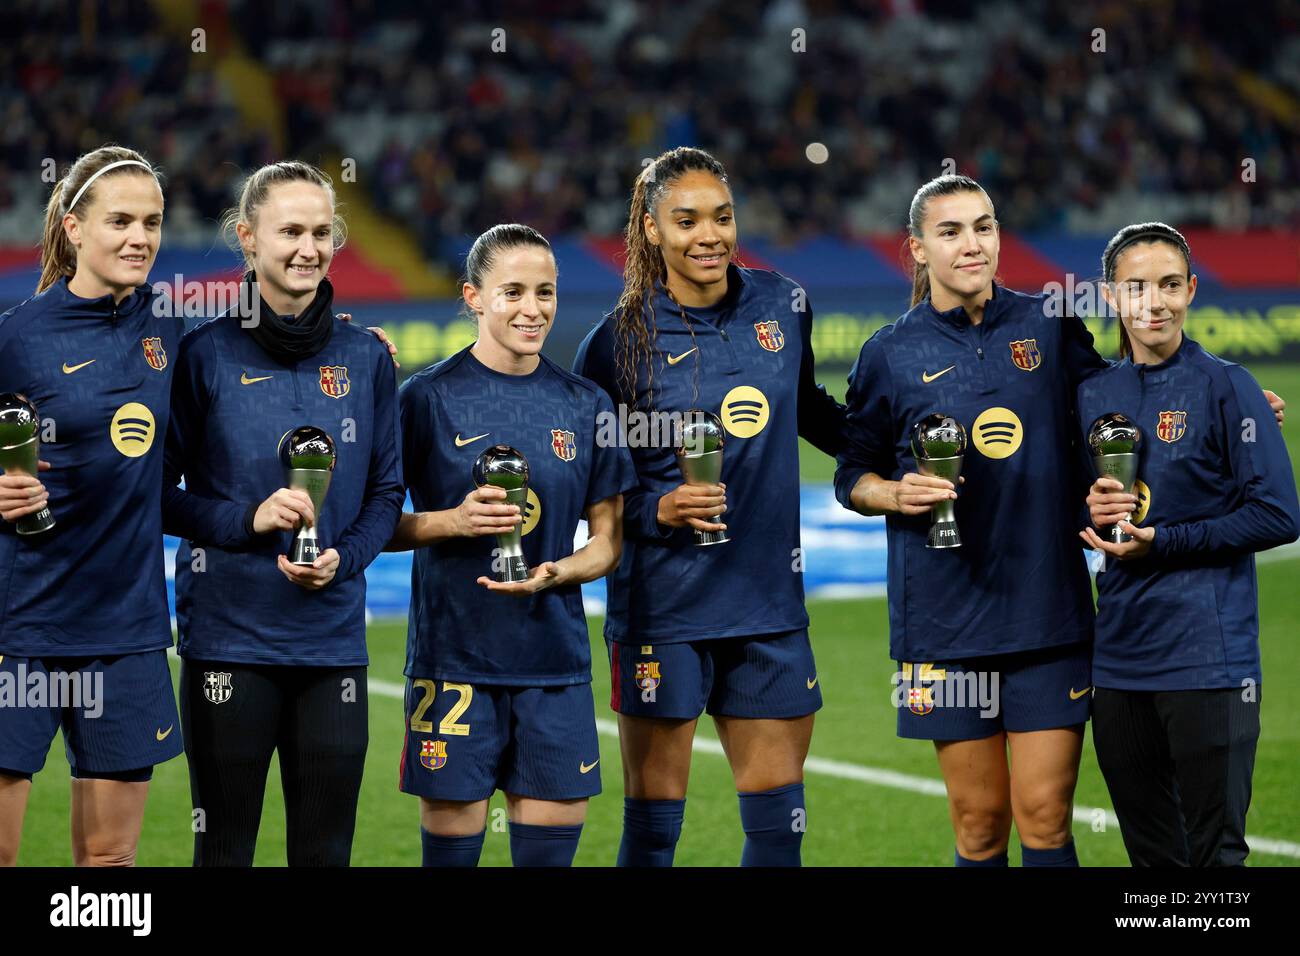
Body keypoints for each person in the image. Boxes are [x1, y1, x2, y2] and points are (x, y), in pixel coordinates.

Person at [834, 175, 1287, 868]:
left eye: (983, 226)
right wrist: (891, 495)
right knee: (979, 826)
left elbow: (1117, 405)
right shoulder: (887, 353)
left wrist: (1230, 406)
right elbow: (851, 473)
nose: (971, 244)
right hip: (942, 620)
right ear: (917, 249)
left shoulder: (1048, 323)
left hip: (1047, 615)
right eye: (950, 231)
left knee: (1044, 818)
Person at [573, 147, 847, 867]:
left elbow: (812, 409)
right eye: (686, 219)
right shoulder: (616, 342)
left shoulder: (783, 303)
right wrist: (655, 510)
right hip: (666, 610)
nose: (710, 235)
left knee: (778, 826)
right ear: (652, 230)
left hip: (768, 604)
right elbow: (589, 483)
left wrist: (899, 446)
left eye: (722, 217)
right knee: (655, 832)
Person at [161, 160, 404, 866]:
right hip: (226, 640)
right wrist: (248, 520)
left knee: (325, 854)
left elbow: (387, 495)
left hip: (332, 645)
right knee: (225, 851)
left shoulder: (367, 357)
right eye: (290, 230)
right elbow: (160, 496)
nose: (307, 247)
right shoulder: (202, 354)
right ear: (248, 239)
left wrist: (344, 558)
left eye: (321, 232)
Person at [387, 223, 635, 867]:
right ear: (473, 296)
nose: (533, 309)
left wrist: (557, 573)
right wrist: (452, 522)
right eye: (513, 292)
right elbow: (372, 527)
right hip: (453, 666)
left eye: (545, 292)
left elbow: (608, 543)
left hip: (553, 666)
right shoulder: (426, 398)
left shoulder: (587, 405)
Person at [1077, 222, 1300, 866]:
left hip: (1210, 661)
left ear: (1192, 290)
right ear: (1112, 297)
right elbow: (1075, 503)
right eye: (1137, 286)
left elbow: (1278, 516)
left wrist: (1163, 543)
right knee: (1151, 857)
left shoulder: (1231, 386)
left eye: (1170, 284)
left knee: (1215, 858)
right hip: (1118, 663)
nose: (1155, 301)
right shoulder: (1092, 393)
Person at [0, 146, 184, 866]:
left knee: (108, 863)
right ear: (74, 228)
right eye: (120, 221)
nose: (140, 237)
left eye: (152, 222)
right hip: (20, 625)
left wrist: (354, 349)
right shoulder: (17, 336)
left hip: (126, 629)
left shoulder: (172, 331)